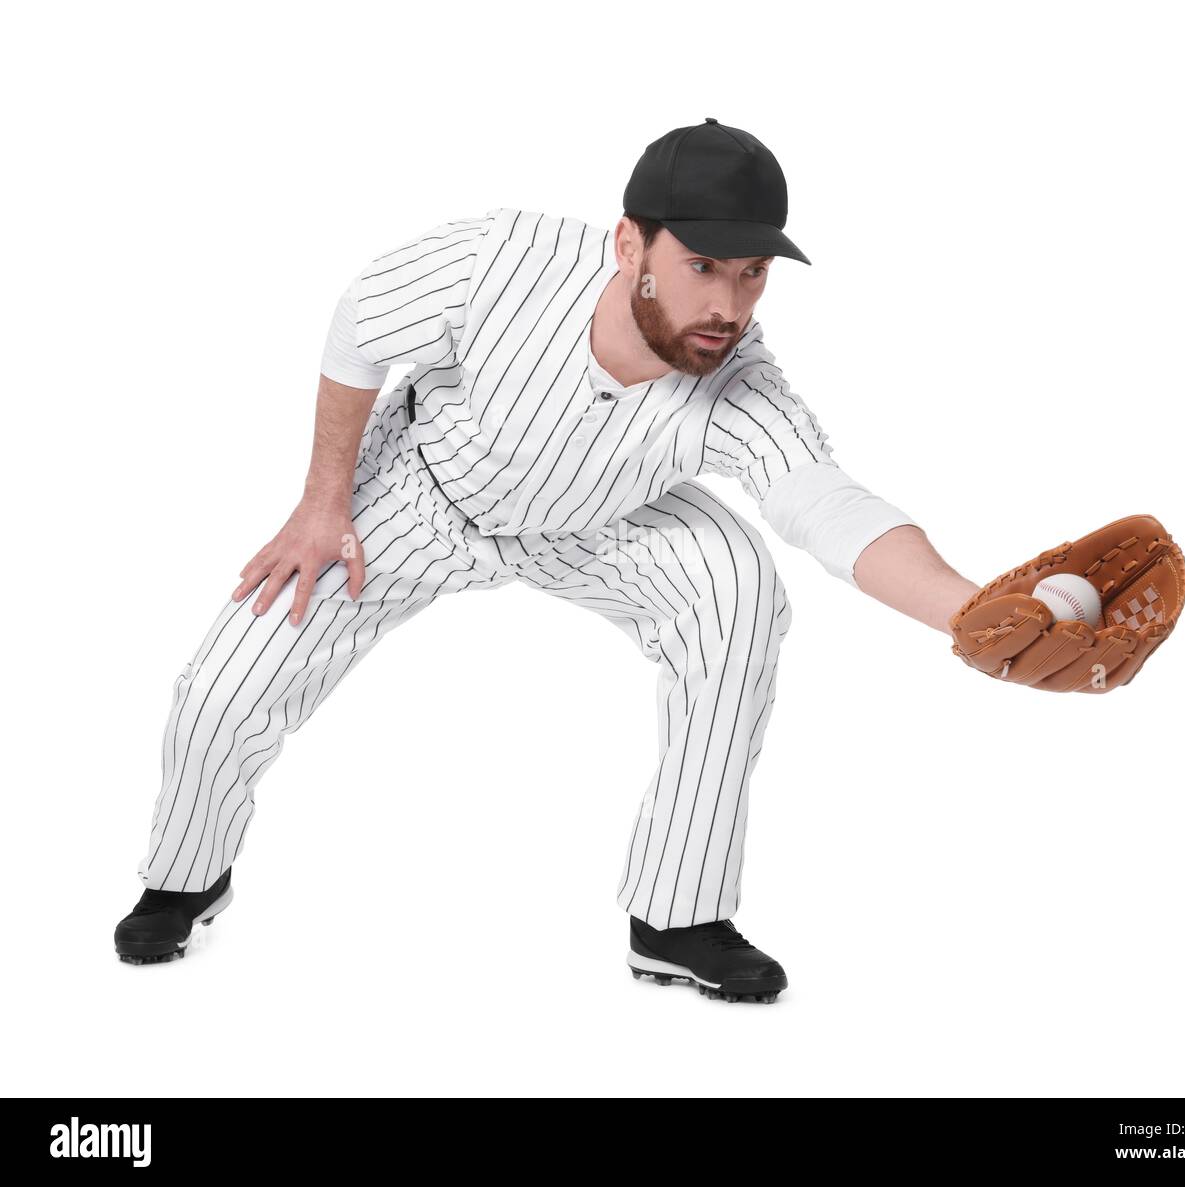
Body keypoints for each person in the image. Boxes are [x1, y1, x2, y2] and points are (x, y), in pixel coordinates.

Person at [112, 117, 991, 1003]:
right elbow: (360, 323)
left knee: (734, 581)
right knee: (222, 687)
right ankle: (185, 875)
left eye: (752, 272)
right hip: (424, 486)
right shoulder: (503, 260)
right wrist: (321, 502)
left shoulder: (737, 380)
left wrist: (971, 613)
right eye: (703, 265)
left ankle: (679, 919)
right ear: (630, 243)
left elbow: (827, 504)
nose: (729, 304)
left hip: (596, 521)